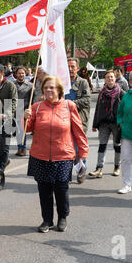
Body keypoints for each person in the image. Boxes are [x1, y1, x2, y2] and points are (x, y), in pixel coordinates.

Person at [24, 76, 88, 233]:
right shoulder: (37, 106)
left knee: (61, 189)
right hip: (40, 155)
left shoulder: (69, 106)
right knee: (44, 190)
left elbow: (78, 130)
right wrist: (25, 117)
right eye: (46, 88)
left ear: (59, 89)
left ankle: (62, 217)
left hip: (63, 155)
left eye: (52, 87)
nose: (48, 90)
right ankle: (47, 220)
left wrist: (83, 151)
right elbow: (27, 129)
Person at [89, 70, 125, 178]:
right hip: (104, 123)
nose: (110, 79)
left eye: (112, 77)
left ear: (115, 78)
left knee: (117, 145)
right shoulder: (102, 93)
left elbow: (126, 108)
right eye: (108, 77)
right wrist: (95, 124)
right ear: (105, 79)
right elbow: (98, 109)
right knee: (102, 145)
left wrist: (123, 121)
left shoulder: (121, 92)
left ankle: (117, 167)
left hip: (116, 124)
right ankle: (99, 168)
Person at [66, 57, 91, 183]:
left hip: (79, 120)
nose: (70, 69)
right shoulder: (62, 82)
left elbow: (86, 100)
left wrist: (71, 103)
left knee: (78, 148)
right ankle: (66, 172)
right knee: (65, 148)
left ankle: (81, 171)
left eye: (72, 66)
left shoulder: (83, 82)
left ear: (77, 68)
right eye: (68, 66)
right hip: (64, 120)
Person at [13, 66, 32, 156]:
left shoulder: (30, 85)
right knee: (17, 131)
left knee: (23, 130)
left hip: (25, 110)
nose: (21, 75)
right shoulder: (12, 85)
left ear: (25, 74)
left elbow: (32, 98)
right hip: (15, 110)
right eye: (19, 73)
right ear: (16, 74)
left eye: (23, 73)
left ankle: (23, 148)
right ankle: (19, 147)